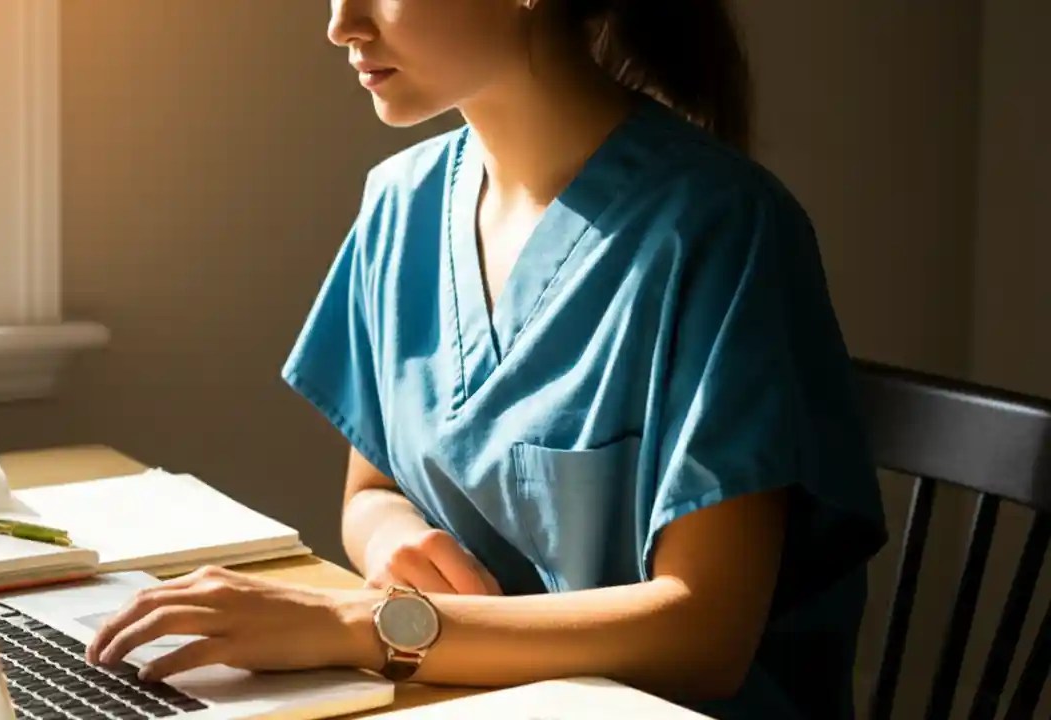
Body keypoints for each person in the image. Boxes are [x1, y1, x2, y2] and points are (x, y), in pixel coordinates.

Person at [87, 1, 888, 717]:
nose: (341, 24)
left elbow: (700, 636)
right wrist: (394, 540)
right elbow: (372, 493)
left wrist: (352, 623)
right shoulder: (400, 202)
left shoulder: (720, 231)